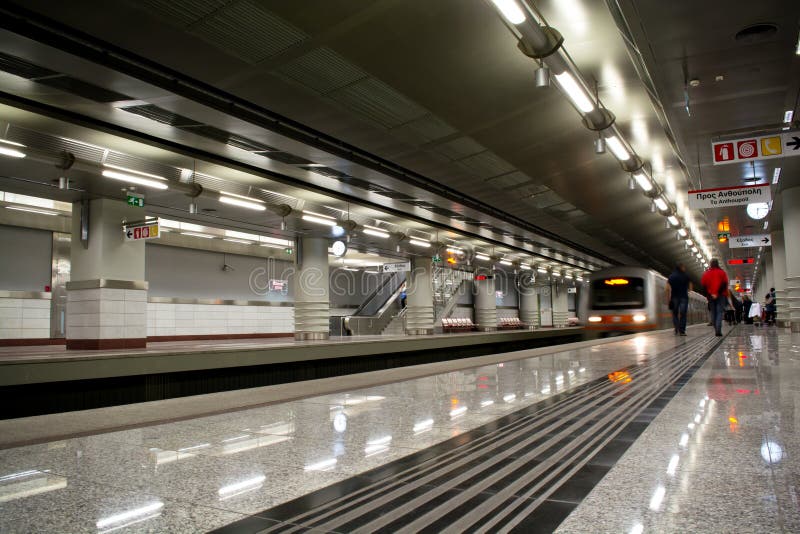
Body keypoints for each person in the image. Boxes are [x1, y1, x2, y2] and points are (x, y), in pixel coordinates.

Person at [701, 259, 729, 337]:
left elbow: (703, 286)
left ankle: (716, 328)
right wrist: (718, 293)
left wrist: (708, 295)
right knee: (719, 312)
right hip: (721, 295)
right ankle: (718, 330)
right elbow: (724, 284)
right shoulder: (722, 273)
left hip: (710, 296)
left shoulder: (706, 274)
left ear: (710, 264)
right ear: (717, 264)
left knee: (713, 312)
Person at [665, 262, 691, 336]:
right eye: (684, 267)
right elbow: (690, 287)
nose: (685, 268)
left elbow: (667, 288)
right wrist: (686, 290)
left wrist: (668, 299)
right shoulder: (686, 276)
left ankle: (676, 328)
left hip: (674, 298)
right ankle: (682, 331)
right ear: (682, 268)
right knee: (683, 314)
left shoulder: (671, 276)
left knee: (675, 314)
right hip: (684, 297)